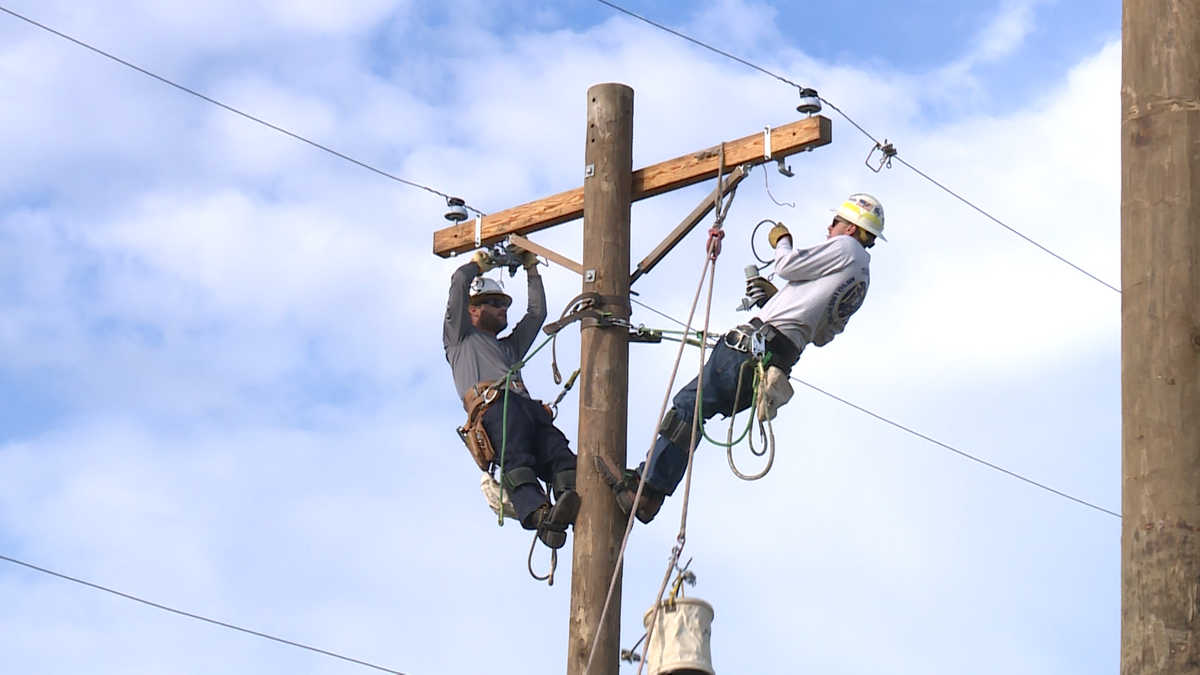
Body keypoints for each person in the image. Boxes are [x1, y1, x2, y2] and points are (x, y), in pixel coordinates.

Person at [597, 193, 886, 523]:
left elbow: (787, 265)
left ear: (851, 228)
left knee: (688, 407)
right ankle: (651, 496)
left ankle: (646, 489)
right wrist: (776, 301)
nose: (829, 228)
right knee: (696, 414)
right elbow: (821, 335)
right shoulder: (861, 280)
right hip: (772, 366)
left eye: (835, 222)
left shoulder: (846, 248)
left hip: (749, 350)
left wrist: (783, 241)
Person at [444, 247, 580, 549]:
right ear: (472, 310)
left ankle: (569, 498)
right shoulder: (459, 339)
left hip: (526, 408)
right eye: (494, 303)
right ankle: (540, 515)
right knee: (517, 457)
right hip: (494, 407)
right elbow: (458, 283)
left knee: (558, 450)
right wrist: (478, 266)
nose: (503, 308)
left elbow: (537, 314)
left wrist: (532, 269)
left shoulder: (509, 348)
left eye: (504, 304)